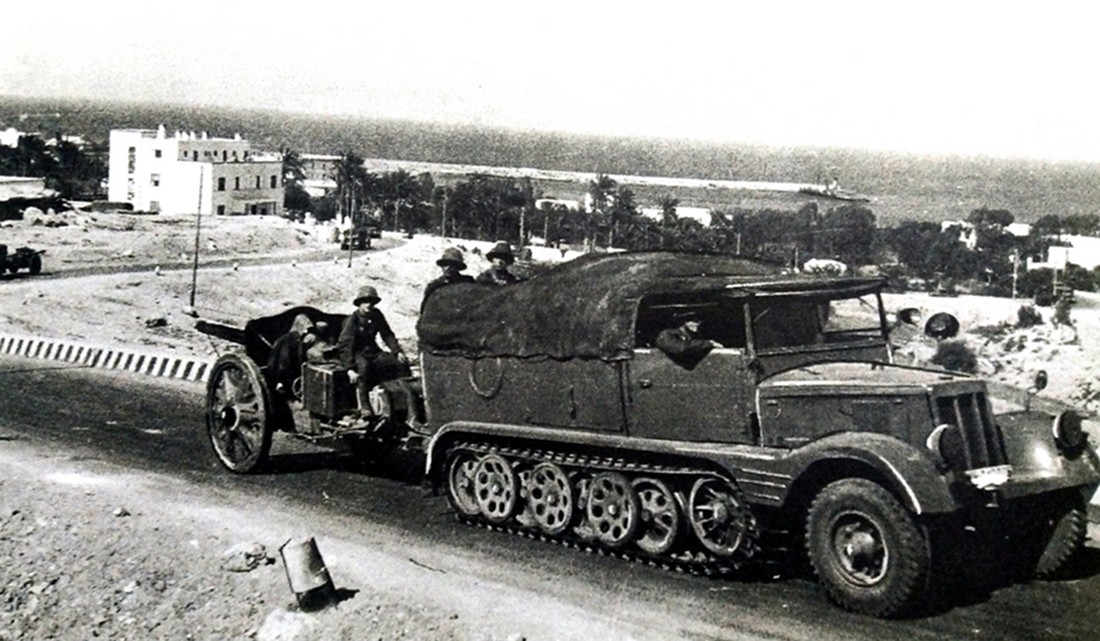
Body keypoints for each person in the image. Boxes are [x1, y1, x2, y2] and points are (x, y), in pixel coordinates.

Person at [336, 285, 409, 416]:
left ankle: (403, 397)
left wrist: (397, 352)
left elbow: (387, 334)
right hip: (357, 352)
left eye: (371, 301)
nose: (368, 305)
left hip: (373, 351)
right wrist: (350, 369)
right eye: (365, 301)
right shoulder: (352, 320)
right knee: (364, 367)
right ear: (359, 304)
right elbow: (345, 346)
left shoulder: (377, 315)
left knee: (399, 363)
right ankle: (364, 405)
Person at [266, 313, 319, 399]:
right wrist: (280, 381)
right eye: (305, 329)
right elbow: (284, 361)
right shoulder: (288, 340)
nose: (306, 331)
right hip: (285, 374)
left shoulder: (300, 339)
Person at [654, 312, 722, 369]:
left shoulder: (696, 336)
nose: (697, 324)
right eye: (693, 321)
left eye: (699, 321)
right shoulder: (667, 334)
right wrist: (708, 343)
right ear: (683, 321)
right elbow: (680, 348)